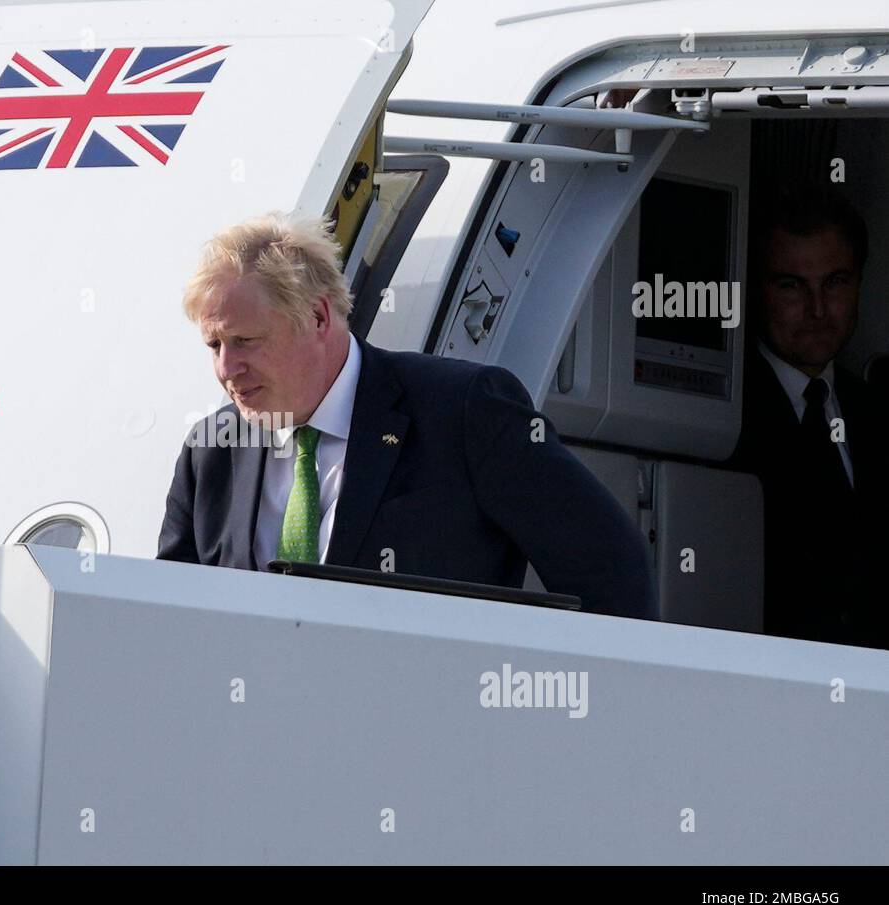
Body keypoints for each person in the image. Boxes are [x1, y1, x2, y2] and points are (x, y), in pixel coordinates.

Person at [157, 211, 657, 620]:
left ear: (317, 317)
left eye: (245, 341)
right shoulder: (214, 449)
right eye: (214, 345)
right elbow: (169, 618)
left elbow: (609, 570)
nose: (227, 369)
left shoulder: (465, 411)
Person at [730, 188, 888, 648]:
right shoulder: (720, 418)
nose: (818, 310)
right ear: (756, 288)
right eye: (791, 285)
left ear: (860, 283)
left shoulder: (878, 412)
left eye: (835, 282)